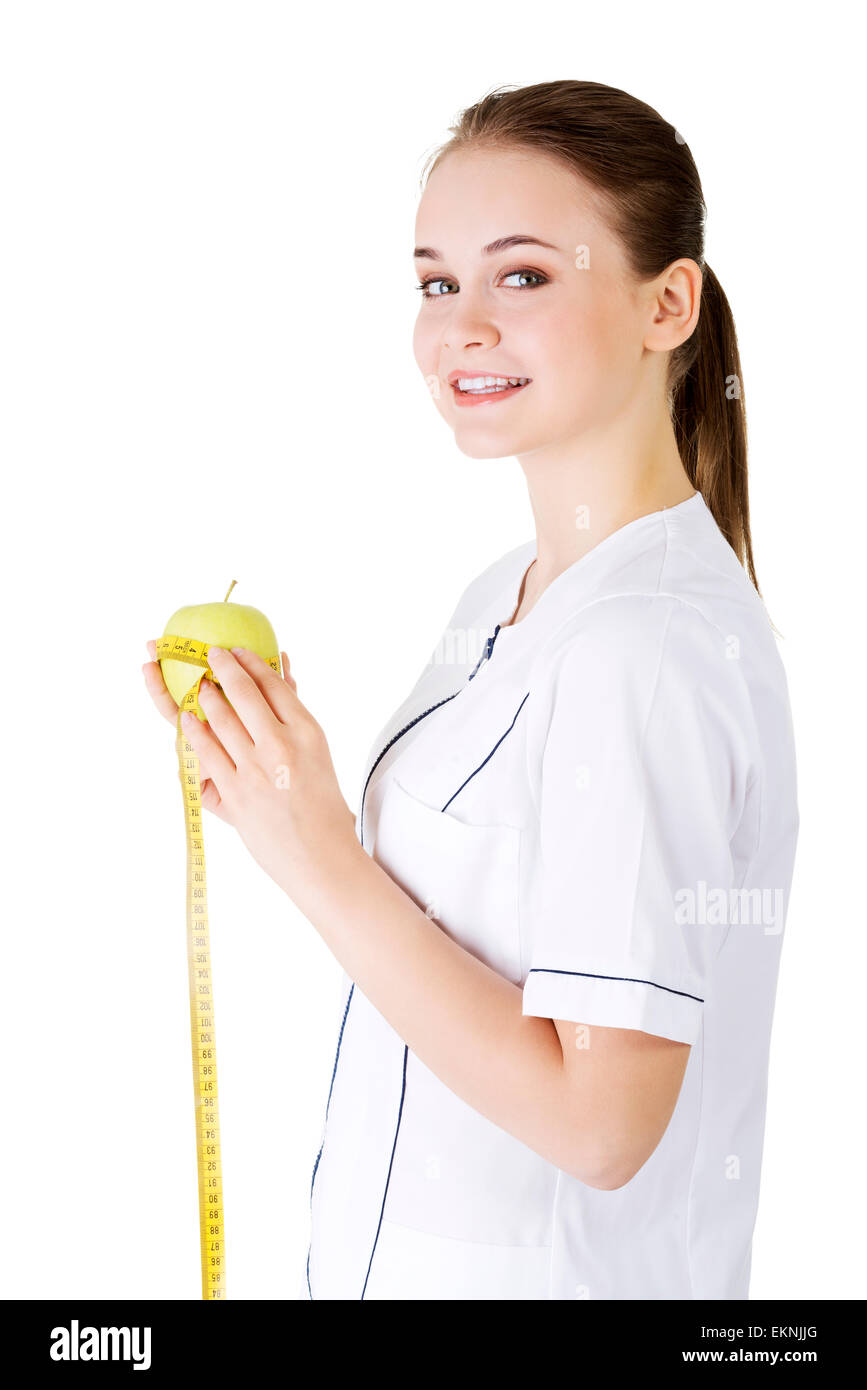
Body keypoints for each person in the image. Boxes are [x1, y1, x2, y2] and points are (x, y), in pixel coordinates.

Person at [143, 79, 799, 1301]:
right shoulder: (516, 593)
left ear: (671, 303)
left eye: (526, 275)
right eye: (438, 282)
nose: (462, 327)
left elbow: (603, 1124)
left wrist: (320, 856)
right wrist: (277, 794)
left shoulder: (641, 647)